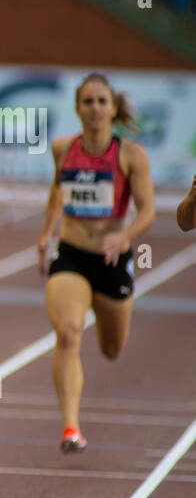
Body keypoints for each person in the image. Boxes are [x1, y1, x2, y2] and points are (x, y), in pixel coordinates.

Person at [38, 73, 154, 453]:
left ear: (113, 108)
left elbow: (148, 209)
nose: (94, 109)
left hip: (111, 260)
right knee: (69, 332)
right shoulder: (62, 149)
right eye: (87, 101)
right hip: (71, 255)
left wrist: (123, 237)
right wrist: (46, 233)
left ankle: (73, 420)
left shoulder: (129, 155)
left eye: (102, 101)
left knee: (111, 348)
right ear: (76, 108)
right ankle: (70, 427)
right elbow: (58, 190)